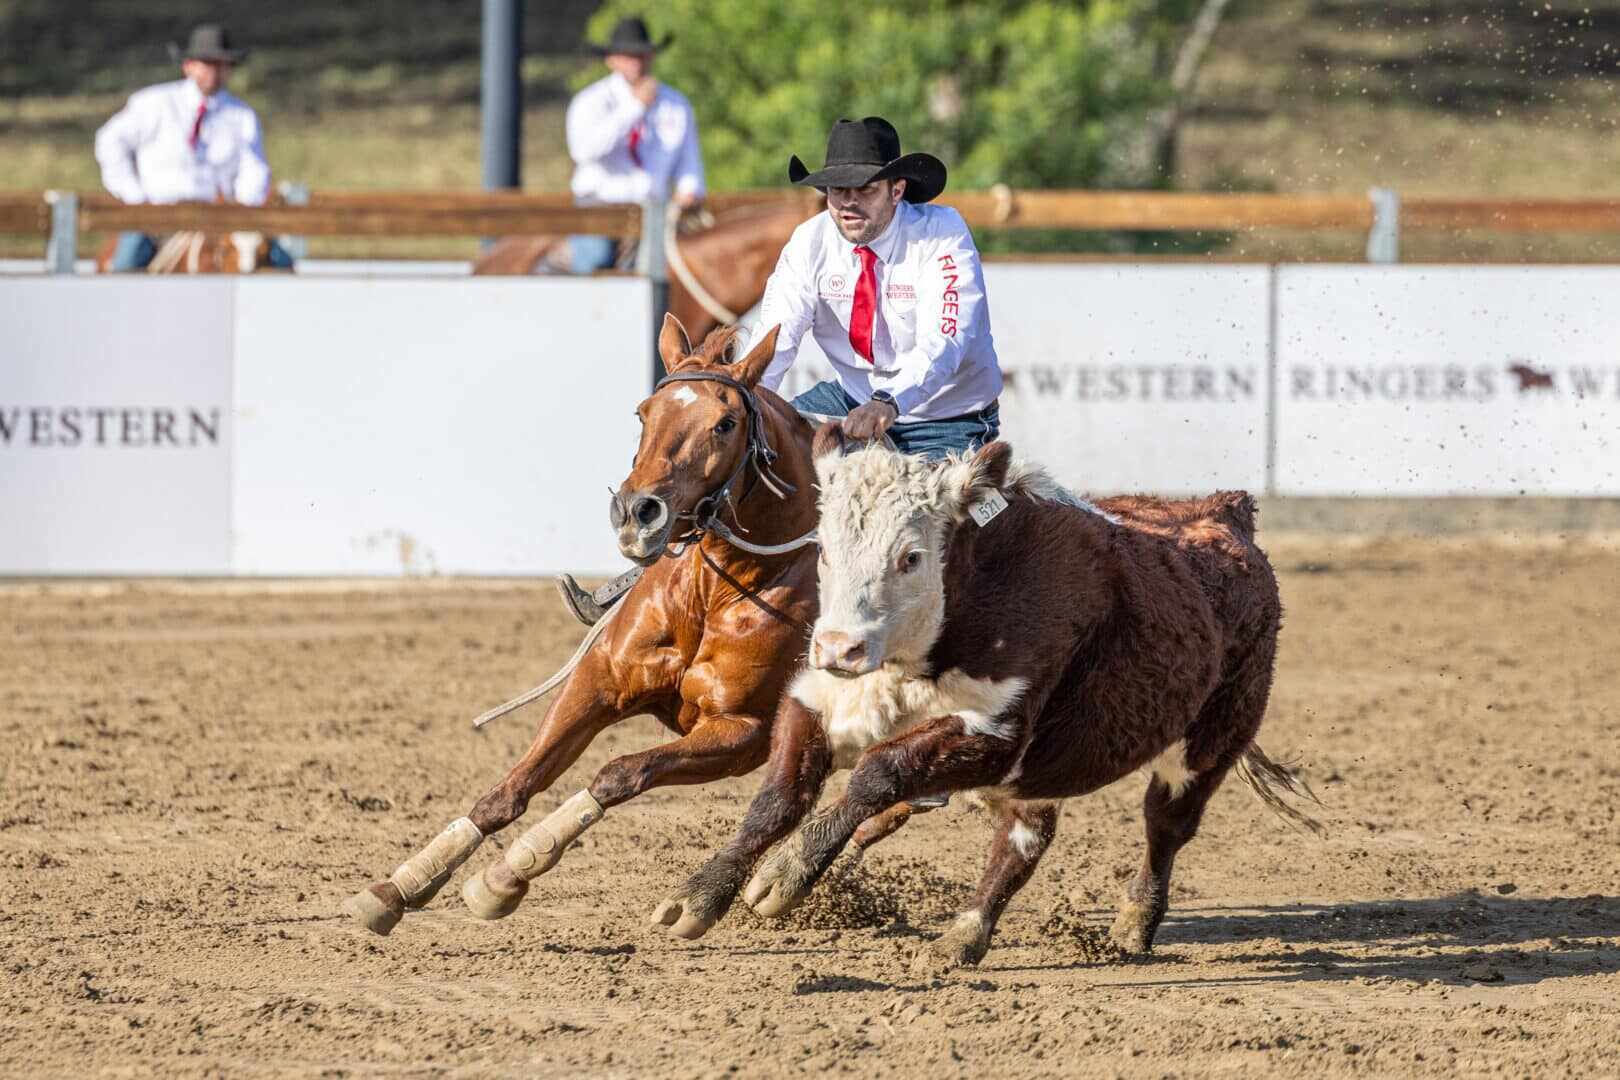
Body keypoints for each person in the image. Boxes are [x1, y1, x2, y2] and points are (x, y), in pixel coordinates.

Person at [559, 116, 1002, 626]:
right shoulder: (811, 242)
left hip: (946, 416)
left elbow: (946, 340)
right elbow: (776, 335)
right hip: (851, 398)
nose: (848, 202)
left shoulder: (941, 236)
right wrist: (742, 398)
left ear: (897, 189)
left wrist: (889, 402)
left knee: (939, 548)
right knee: (738, 456)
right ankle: (642, 583)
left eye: (864, 189)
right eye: (837, 189)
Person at [94, 24, 289, 272]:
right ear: (188, 66)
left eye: (223, 64)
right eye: (207, 63)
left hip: (218, 219)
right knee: (125, 266)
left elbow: (254, 169)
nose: (214, 71)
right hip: (157, 217)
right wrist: (135, 196)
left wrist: (241, 210)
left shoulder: (242, 116)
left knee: (282, 264)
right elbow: (110, 141)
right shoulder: (155, 103)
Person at [563, 16, 704, 273]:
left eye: (642, 55)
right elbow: (583, 151)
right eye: (628, 55)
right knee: (595, 258)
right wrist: (634, 108)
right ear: (611, 59)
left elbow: (689, 161)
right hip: (601, 206)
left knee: (690, 265)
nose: (636, 62)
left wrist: (689, 189)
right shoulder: (591, 101)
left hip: (655, 210)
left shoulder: (676, 104)